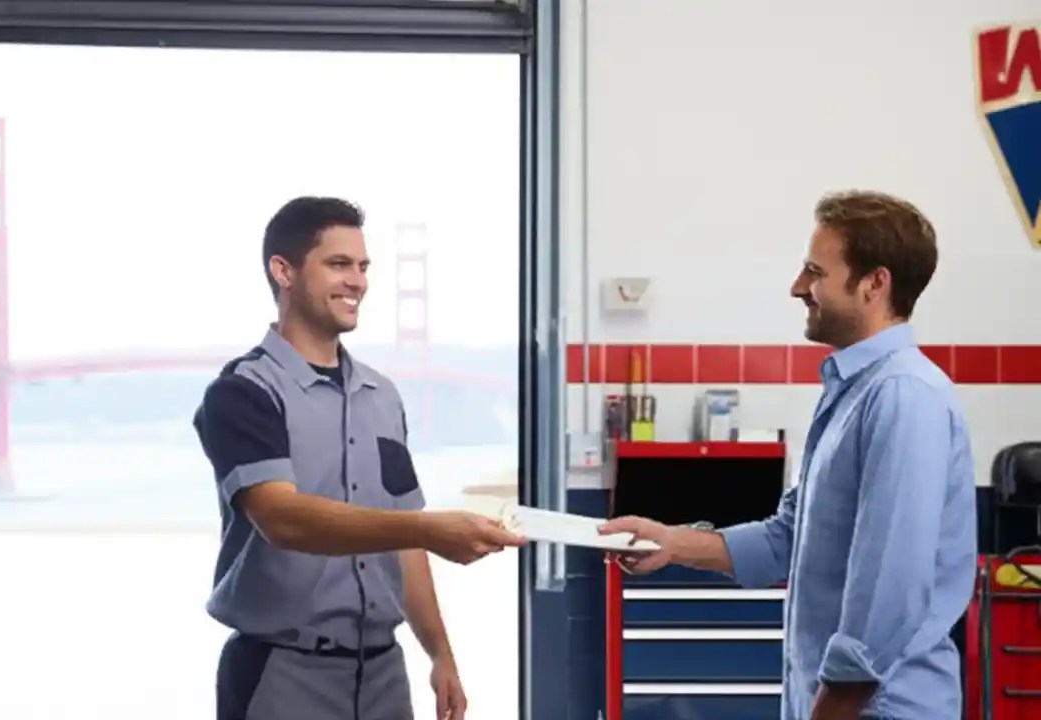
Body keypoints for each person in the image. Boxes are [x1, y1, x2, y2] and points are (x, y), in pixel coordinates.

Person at [601, 190, 976, 720]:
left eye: (814, 271)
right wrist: (671, 543)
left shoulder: (903, 397)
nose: (798, 287)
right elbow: (788, 537)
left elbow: (889, 594)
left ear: (875, 283)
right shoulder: (853, 390)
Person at [194, 196, 525, 720]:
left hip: (383, 678)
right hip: (280, 675)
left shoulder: (382, 397)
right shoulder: (243, 393)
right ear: (283, 270)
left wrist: (440, 654)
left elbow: (405, 533)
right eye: (338, 264)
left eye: (363, 267)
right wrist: (433, 530)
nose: (358, 282)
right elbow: (285, 520)